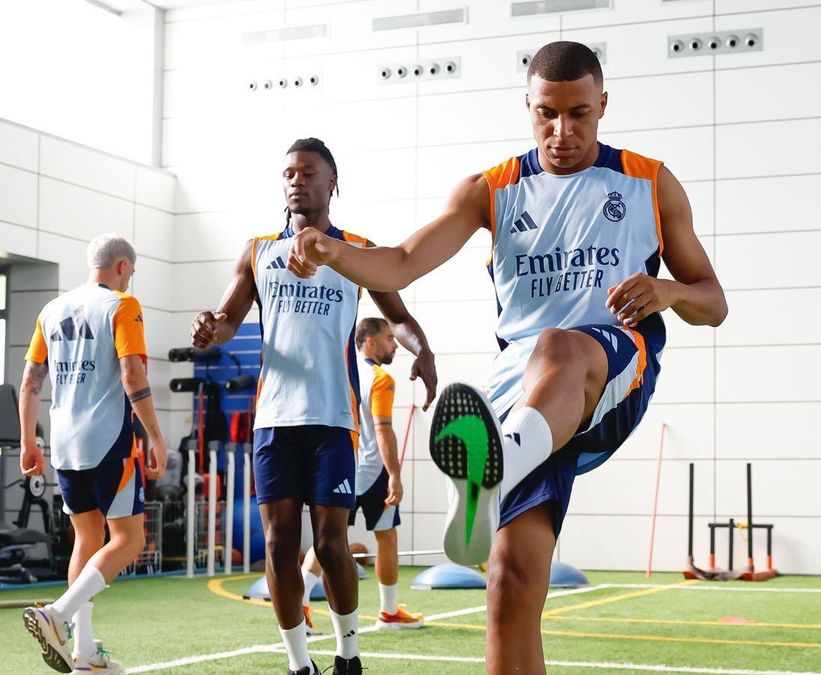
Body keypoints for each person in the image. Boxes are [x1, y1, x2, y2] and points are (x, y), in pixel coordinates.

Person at [286, 41, 727, 673]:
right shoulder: (491, 189)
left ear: (603, 105)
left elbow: (714, 303)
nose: (562, 129)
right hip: (520, 396)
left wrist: (669, 290)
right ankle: (492, 478)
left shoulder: (648, 182)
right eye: (547, 113)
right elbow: (403, 262)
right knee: (509, 585)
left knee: (559, 344)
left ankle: (491, 470)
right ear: (528, 106)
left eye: (579, 113)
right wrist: (331, 251)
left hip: (610, 370)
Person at [190, 138, 436, 675]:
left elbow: (395, 316)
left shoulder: (354, 250)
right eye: (288, 173)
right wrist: (212, 330)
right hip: (275, 421)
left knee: (330, 543)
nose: (296, 179)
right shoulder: (258, 251)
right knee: (278, 544)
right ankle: (299, 664)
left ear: (332, 184)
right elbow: (229, 320)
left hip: (334, 420)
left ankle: (349, 656)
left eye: (307, 172)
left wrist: (423, 350)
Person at [20, 234, 167, 674]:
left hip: (63, 443)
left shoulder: (50, 310)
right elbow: (131, 372)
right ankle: (58, 615)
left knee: (88, 538)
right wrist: (155, 435)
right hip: (107, 441)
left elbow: (29, 382)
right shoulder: (122, 306)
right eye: (132, 273)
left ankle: (84, 653)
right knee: (130, 538)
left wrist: (31, 441)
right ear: (122, 266)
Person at [298, 317, 424, 635]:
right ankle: (389, 611)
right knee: (385, 537)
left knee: (329, 537)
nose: (394, 345)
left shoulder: (342, 373)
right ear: (369, 342)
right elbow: (383, 431)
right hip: (370, 470)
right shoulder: (380, 379)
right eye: (389, 339)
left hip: (339, 466)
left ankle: (299, 607)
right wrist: (395, 475)